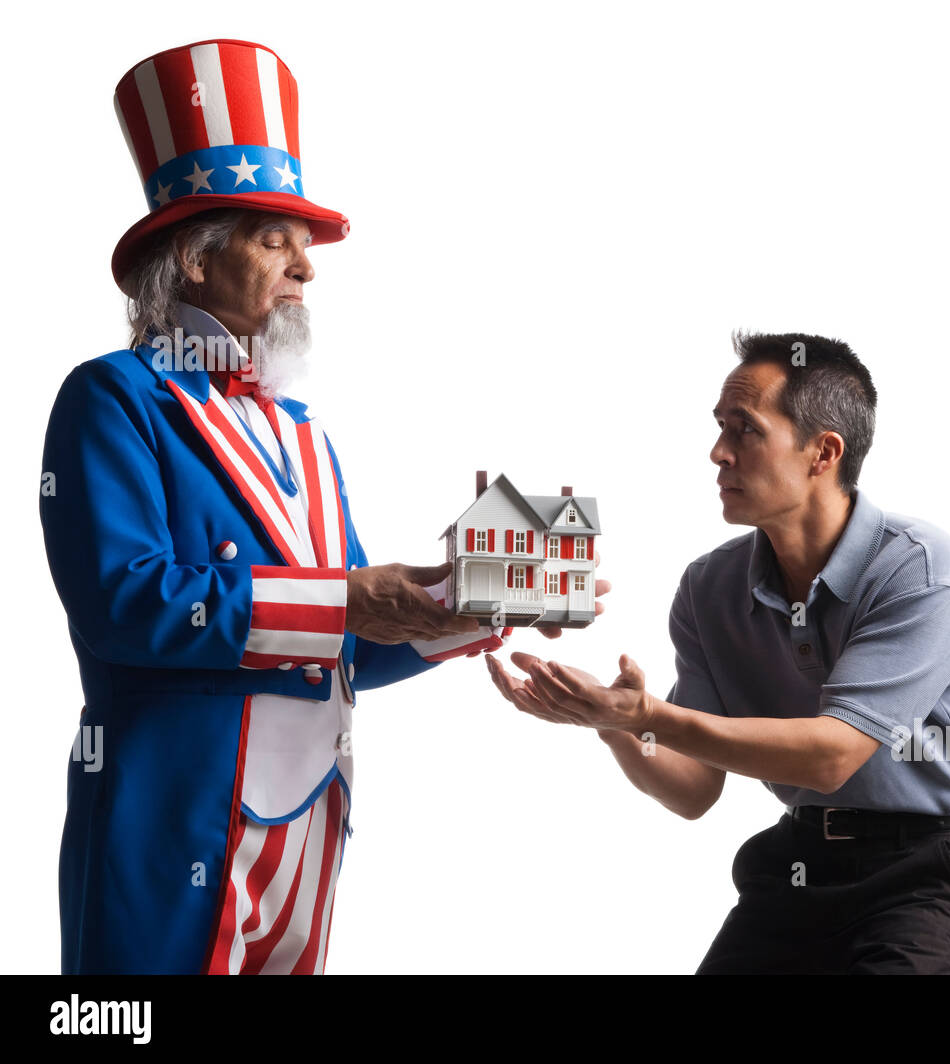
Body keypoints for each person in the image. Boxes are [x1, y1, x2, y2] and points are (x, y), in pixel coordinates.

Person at [39, 38, 603, 975]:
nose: (307, 268)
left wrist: (472, 603)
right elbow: (124, 602)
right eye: (276, 240)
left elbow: (337, 647)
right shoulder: (111, 396)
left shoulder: (303, 432)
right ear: (191, 257)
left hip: (309, 823)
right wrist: (349, 597)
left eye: (305, 247)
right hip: (175, 820)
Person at [485, 331, 950, 974]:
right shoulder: (709, 588)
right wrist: (612, 723)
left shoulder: (922, 571)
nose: (717, 452)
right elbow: (693, 789)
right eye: (719, 428)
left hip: (926, 868)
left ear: (824, 452)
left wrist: (649, 717)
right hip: (797, 863)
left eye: (745, 430)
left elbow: (832, 756)